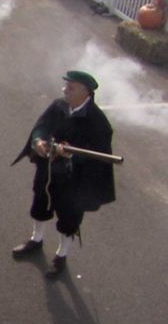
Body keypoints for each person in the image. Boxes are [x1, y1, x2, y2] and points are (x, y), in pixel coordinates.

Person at [12, 71, 115, 277]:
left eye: (70, 88)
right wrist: (38, 141)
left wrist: (72, 154)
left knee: (69, 218)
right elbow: (41, 126)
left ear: (85, 93)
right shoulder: (59, 105)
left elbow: (98, 156)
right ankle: (37, 240)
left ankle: (61, 255)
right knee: (40, 203)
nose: (64, 90)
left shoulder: (98, 122)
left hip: (74, 180)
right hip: (49, 170)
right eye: (65, 87)